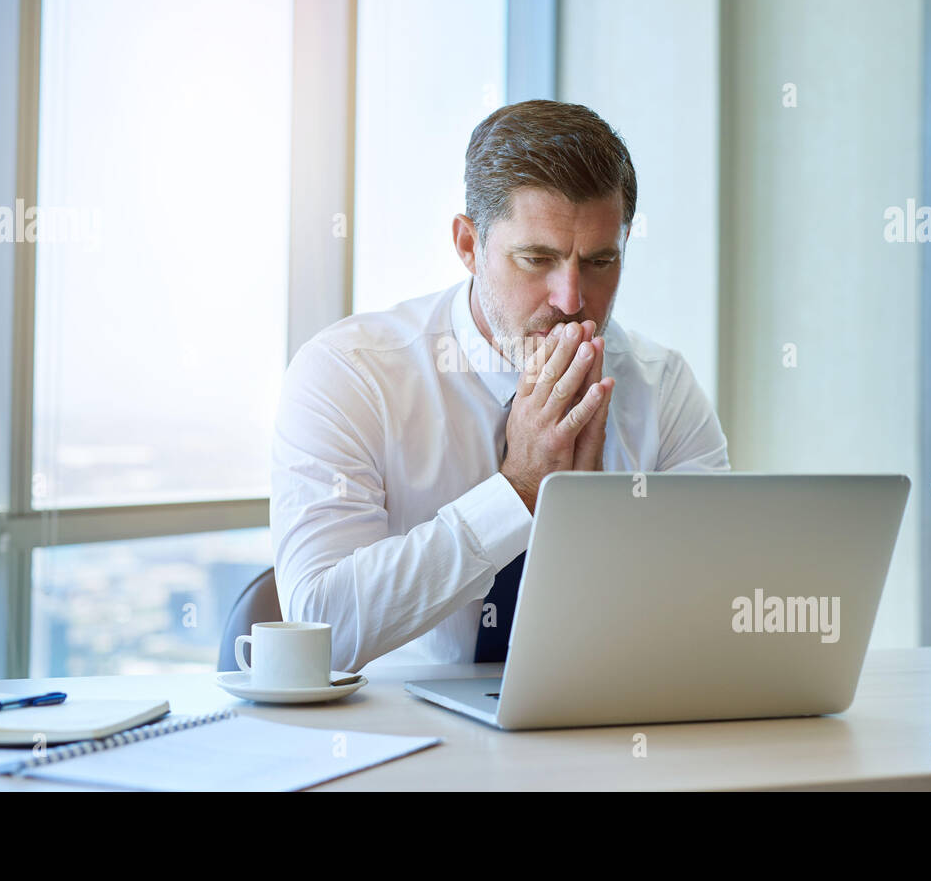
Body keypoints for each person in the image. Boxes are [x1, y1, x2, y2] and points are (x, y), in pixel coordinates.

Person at [270, 99, 730, 674]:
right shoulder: (350, 374)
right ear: (468, 245)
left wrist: (590, 530)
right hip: (397, 741)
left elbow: (716, 610)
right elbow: (320, 634)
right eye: (537, 259)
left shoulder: (662, 389)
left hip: (595, 736)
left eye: (600, 260)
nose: (571, 299)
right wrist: (521, 491)